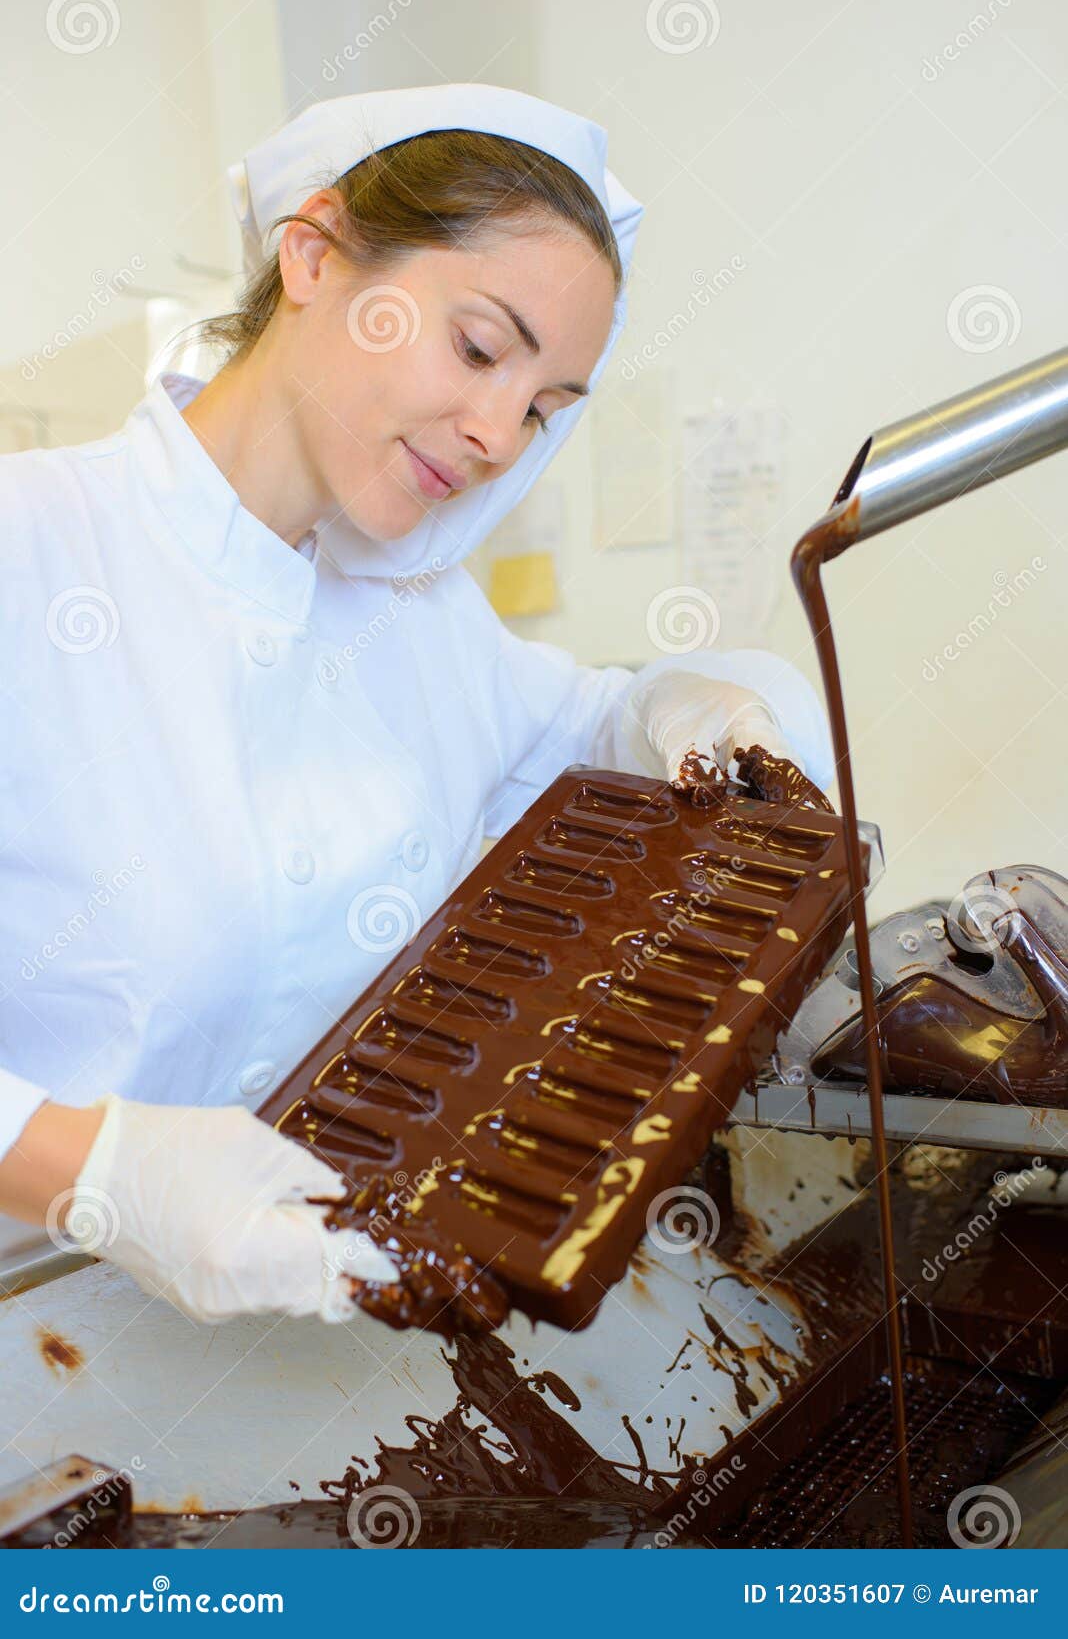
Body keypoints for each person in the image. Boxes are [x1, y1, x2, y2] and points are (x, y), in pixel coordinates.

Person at [0, 83, 831, 1326]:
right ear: (314, 254)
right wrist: (97, 1172)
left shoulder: (417, 619)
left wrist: (709, 710)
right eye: (481, 348)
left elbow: (601, 732)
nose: (498, 434)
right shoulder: (32, 550)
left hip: (304, 1349)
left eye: (542, 408)